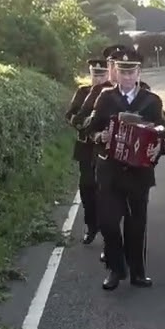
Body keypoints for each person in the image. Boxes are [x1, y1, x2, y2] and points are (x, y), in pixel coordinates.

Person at [81, 47, 165, 290]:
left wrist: (159, 147)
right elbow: (90, 128)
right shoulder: (105, 97)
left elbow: (164, 133)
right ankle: (115, 269)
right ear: (116, 72)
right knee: (108, 222)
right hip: (109, 171)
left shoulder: (151, 101)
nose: (127, 76)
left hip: (139, 174)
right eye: (123, 71)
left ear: (139, 73)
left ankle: (137, 272)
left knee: (136, 225)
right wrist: (99, 135)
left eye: (131, 72)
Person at [64, 58, 111, 244]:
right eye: (95, 74)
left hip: (106, 148)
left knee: (106, 190)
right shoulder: (83, 92)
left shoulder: (112, 93)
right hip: (86, 147)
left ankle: (108, 231)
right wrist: (82, 123)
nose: (98, 79)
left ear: (108, 74)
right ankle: (91, 225)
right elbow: (70, 115)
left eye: (101, 74)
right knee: (87, 188)